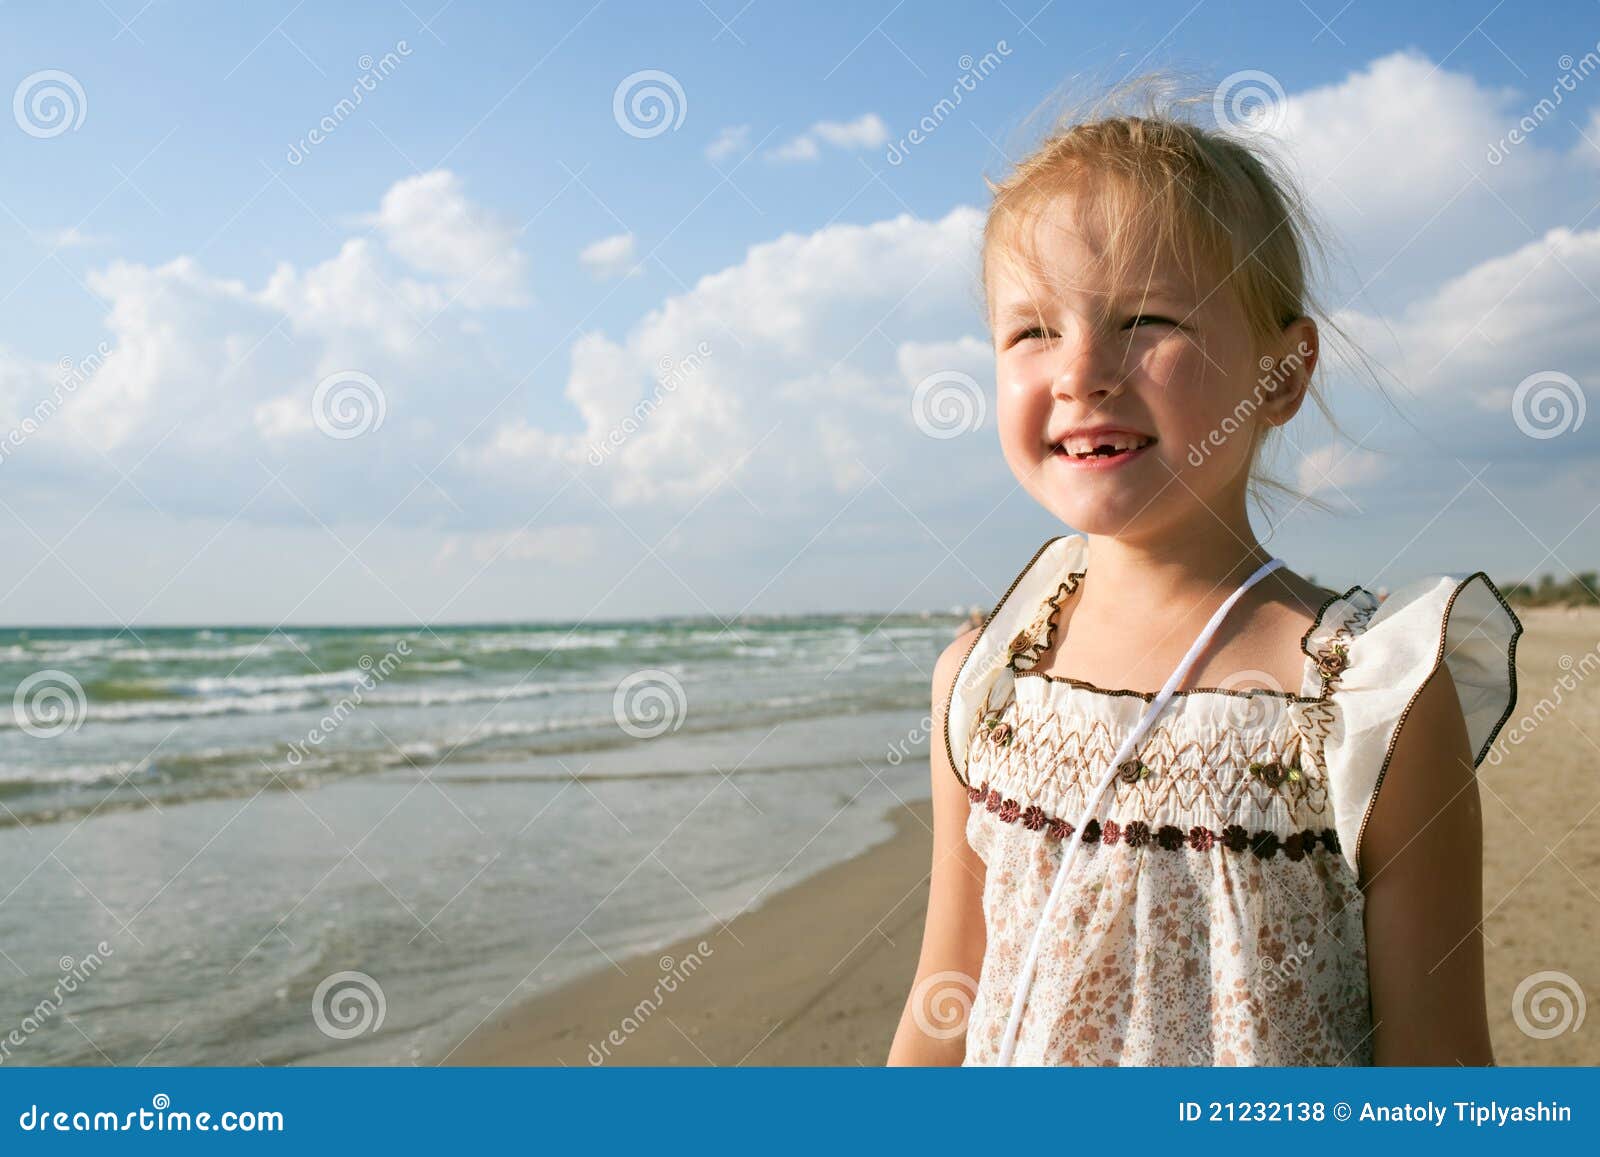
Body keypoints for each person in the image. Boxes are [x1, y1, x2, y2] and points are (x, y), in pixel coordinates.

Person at [886, 77, 1522, 1066]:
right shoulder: (985, 680)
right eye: (1031, 330)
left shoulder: (1368, 700)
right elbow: (943, 995)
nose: (1080, 369)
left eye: (1146, 319)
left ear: (1283, 374)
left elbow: (1438, 1074)